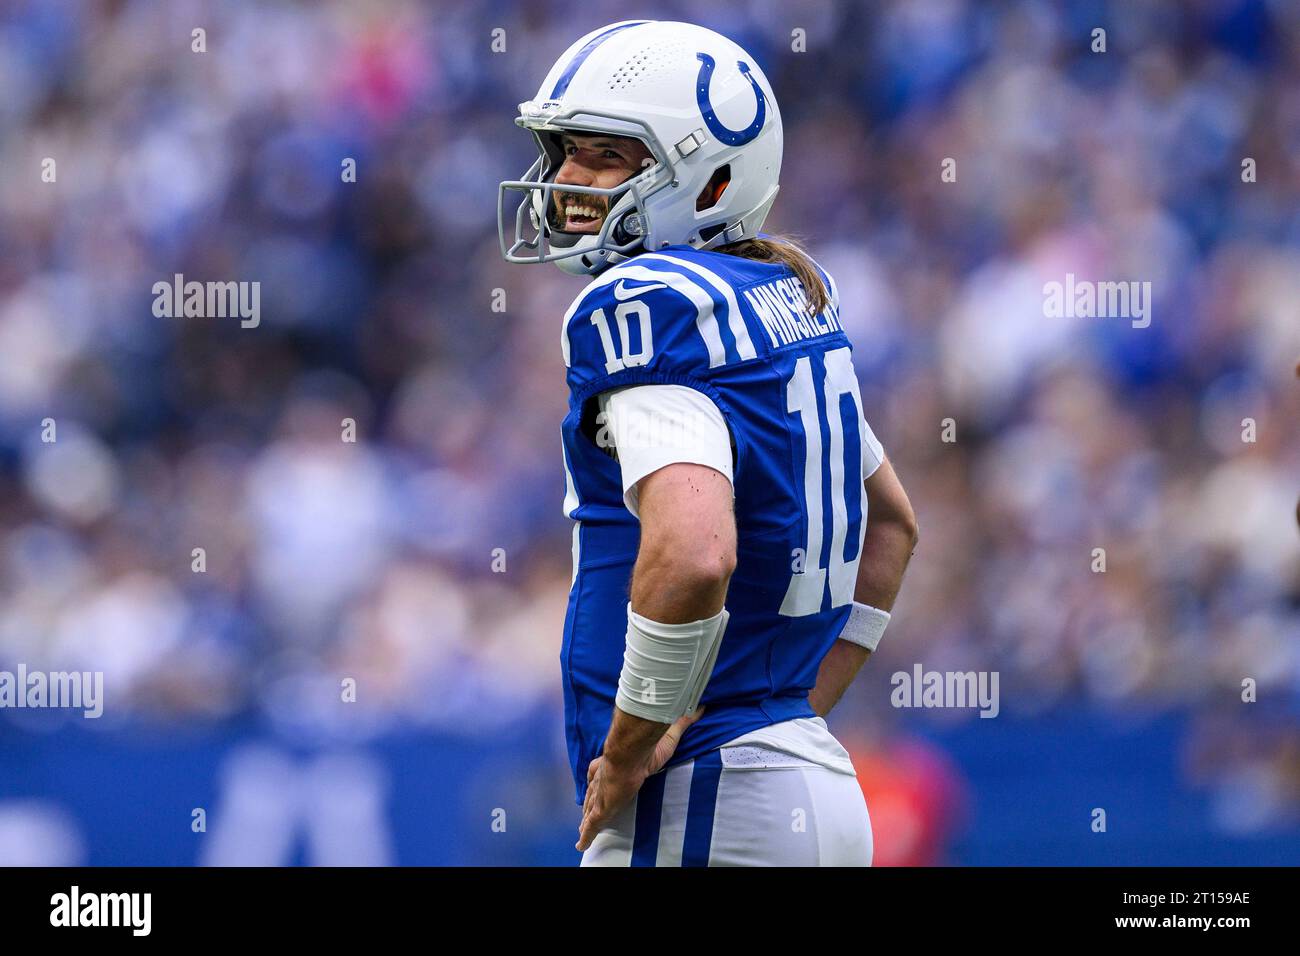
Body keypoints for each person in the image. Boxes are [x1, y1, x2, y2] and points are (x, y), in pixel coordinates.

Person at [499, 19, 918, 866]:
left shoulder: (648, 304)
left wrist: (630, 748)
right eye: (564, 151)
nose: (569, 179)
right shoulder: (785, 295)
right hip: (809, 785)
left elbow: (693, 555)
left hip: (706, 794)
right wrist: (794, 709)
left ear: (713, 175)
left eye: (607, 156)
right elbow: (895, 527)